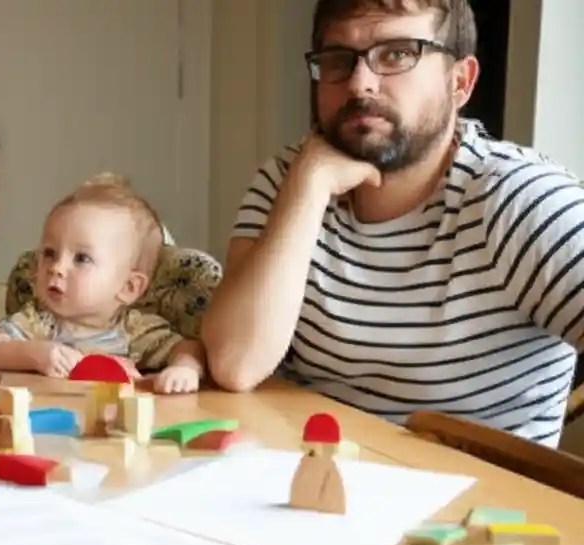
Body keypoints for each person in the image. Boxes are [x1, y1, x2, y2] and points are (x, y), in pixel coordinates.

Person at [200, 0, 584, 446]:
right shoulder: (288, 179)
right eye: (339, 60)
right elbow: (235, 362)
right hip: (308, 473)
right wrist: (310, 186)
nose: (359, 83)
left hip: (472, 489)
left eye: (398, 53)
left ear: (460, 81)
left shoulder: (522, 200)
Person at [0, 174, 206, 393]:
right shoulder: (39, 323)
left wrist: (184, 369)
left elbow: (187, 348)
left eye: (81, 258)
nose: (56, 267)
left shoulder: (133, 331)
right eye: (49, 253)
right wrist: (36, 354)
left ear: (128, 287)